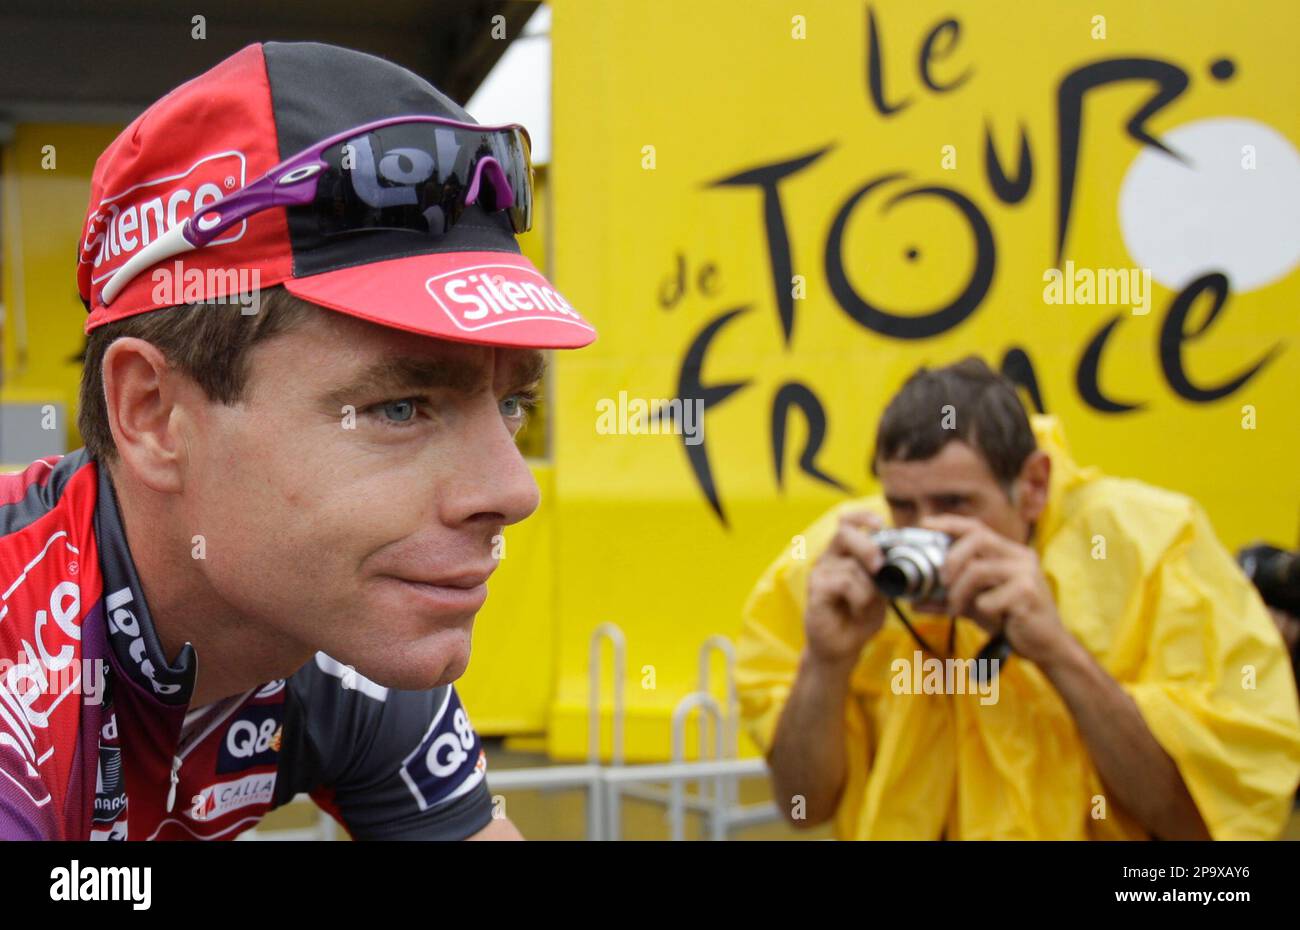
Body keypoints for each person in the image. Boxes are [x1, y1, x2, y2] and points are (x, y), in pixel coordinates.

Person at [0, 41, 596, 840]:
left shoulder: (339, 616)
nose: (511, 491)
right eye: (401, 408)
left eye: (512, 402)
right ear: (152, 414)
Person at [736, 357, 1300, 839]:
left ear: (1032, 485)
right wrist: (826, 661)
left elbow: (1200, 825)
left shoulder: (1150, 547)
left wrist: (1058, 653)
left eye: (955, 504)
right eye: (902, 507)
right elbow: (803, 806)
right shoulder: (842, 562)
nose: (926, 533)